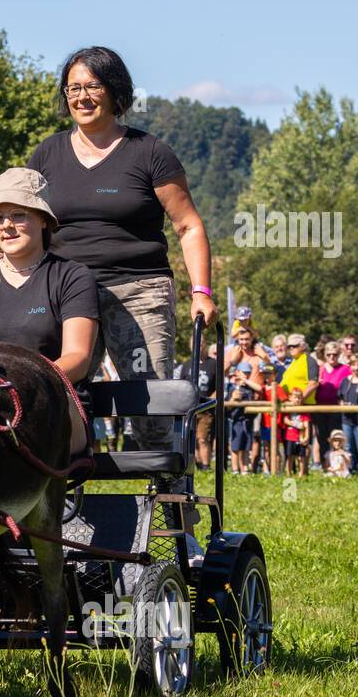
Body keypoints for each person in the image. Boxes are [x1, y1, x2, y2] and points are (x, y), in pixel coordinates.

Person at [25, 46, 216, 452]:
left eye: (92, 86)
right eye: (73, 88)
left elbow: (188, 225)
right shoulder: (46, 155)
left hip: (139, 290)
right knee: (58, 394)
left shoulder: (149, 152)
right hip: (66, 294)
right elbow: (29, 227)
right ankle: (66, 501)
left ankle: (168, 497)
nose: (81, 96)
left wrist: (201, 292)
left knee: (149, 402)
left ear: (115, 91)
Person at [0, 166, 100, 463]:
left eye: (19, 215)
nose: (7, 226)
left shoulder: (72, 277)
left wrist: (22, 385)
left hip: (54, 404)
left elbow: (78, 359)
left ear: (43, 219)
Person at [174, 342, 217, 469]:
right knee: (191, 438)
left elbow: (218, 386)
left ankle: (206, 466)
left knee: (203, 438)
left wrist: (211, 400)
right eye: (195, 343)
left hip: (205, 408)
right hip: (190, 408)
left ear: (205, 345)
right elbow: (182, 385)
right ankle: (196, 464)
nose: (198, 345)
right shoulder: (187, 365)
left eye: (201, 343)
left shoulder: (213, 364)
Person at [311, 340, 349, 468]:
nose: (332, 357)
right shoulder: (319, 369)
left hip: (335, 409)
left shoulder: (345, 369)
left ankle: (338, 466)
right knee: (322, 439)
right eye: (329, 354)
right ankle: (324, 466)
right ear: (325, 355)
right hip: (319, 408)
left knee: (336, 438)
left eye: (335, 354)